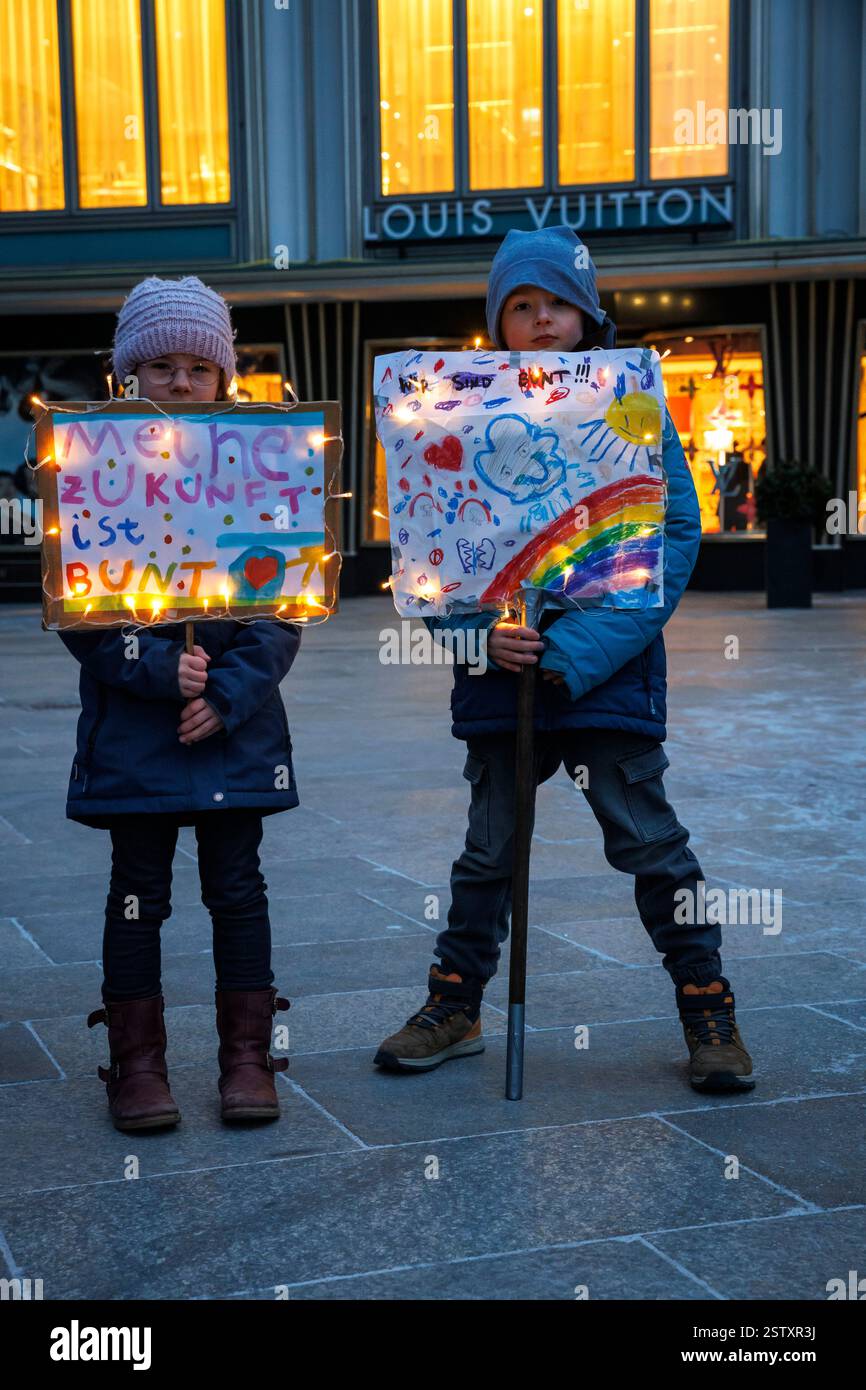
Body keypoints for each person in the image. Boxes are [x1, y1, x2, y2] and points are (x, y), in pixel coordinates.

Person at [375, 226, 755, 1092]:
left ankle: (707, 1004)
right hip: (499, 676)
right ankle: (454, 1004)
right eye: (521, 305)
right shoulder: (457, 409)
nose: (542, 319)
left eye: (558, 303)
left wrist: (575, 653)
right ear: (498, 322)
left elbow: (671, 537)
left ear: (587, 316)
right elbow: (434, 551)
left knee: (650, 845)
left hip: (604, 677)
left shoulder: (632, 405)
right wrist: (479, 637)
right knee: (487, 856)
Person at [60, 276, 300, 1130]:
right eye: (160, 365)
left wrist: (229, 692)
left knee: (238, 890)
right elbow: (81, 611)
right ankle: (136, 1064)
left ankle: (248, 1057)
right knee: (138, 892)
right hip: (138, 730)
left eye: (199, 367)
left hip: (234, 728)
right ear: (128, 374)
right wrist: (159, 668)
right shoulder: (91, 468)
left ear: (225, 377)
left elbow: (283, 606)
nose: (181, 381)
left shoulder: (264, 468)